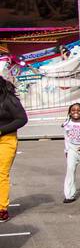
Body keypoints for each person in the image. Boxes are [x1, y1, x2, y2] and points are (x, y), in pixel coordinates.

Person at [0, 75, 28, 222]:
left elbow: (22, 119)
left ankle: (2, 209)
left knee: (1, 173)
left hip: (6, 140)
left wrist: (2, 130)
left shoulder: (9, 100)